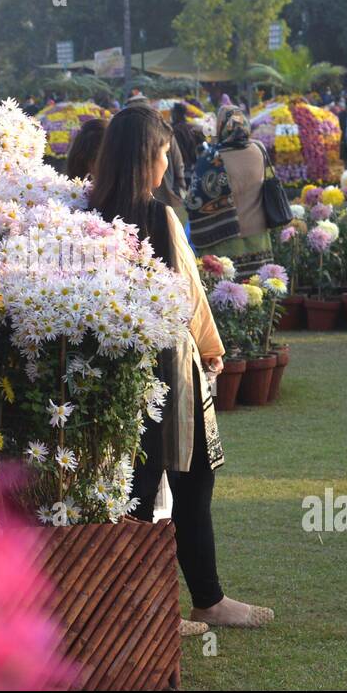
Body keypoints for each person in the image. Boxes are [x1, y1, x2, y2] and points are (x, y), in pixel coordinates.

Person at [88, 104, 273, 631]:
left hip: (115, 368)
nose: (167, 164)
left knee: (136, 484)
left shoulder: (90, 211)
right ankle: (193, 602)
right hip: (167, 367)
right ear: (147, 157)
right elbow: (185, 294)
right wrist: (212, 348)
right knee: (187, 481)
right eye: (164, 153)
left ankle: (141, 606)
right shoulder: (157, 213)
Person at [186, 104, 277, 276]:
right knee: (257, 290)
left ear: (221, 126)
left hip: (224, 237)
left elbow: (194, 198)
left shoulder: (212, 157)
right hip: (259, 235)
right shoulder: (259, 149)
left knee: (228, 293)